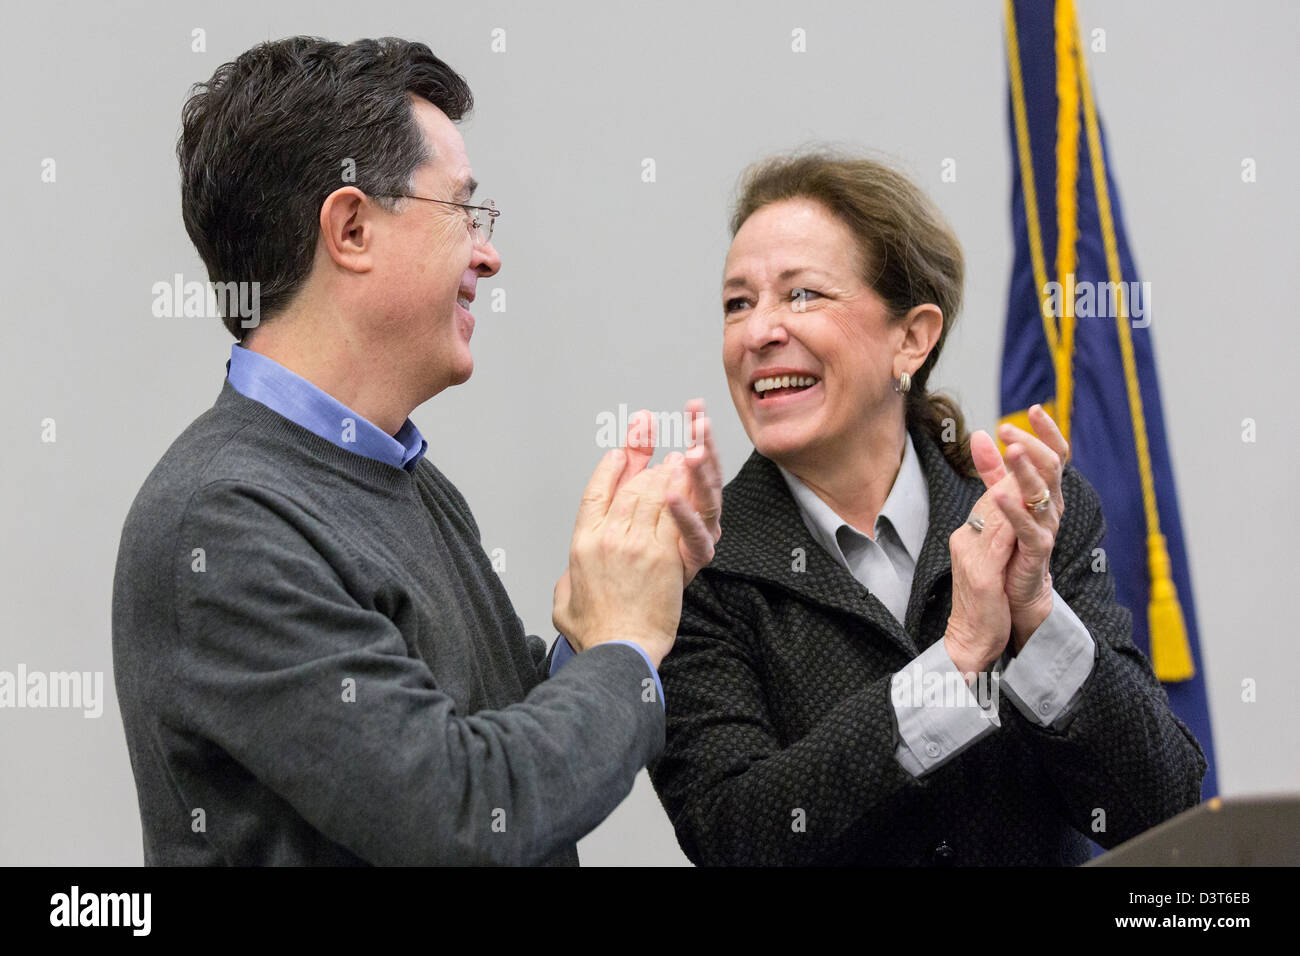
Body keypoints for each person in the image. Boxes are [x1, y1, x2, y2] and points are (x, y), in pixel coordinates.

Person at [111, 36, 723, 866]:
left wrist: (627, 603)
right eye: (464, 211)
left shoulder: (408, 478)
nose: (488, 253)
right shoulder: (223, 521)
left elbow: (493, 738)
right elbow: (466, 814)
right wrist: (623, 649)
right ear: (352, 227)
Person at [647, 151, 1205, 866]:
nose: (758, 333)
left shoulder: (1027, 513)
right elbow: (734, 835)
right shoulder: (699, 561)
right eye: (738, 303)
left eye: (802, 295)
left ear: (911, 338)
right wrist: (957, 660)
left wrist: (1036, 618)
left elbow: (1166, 807)